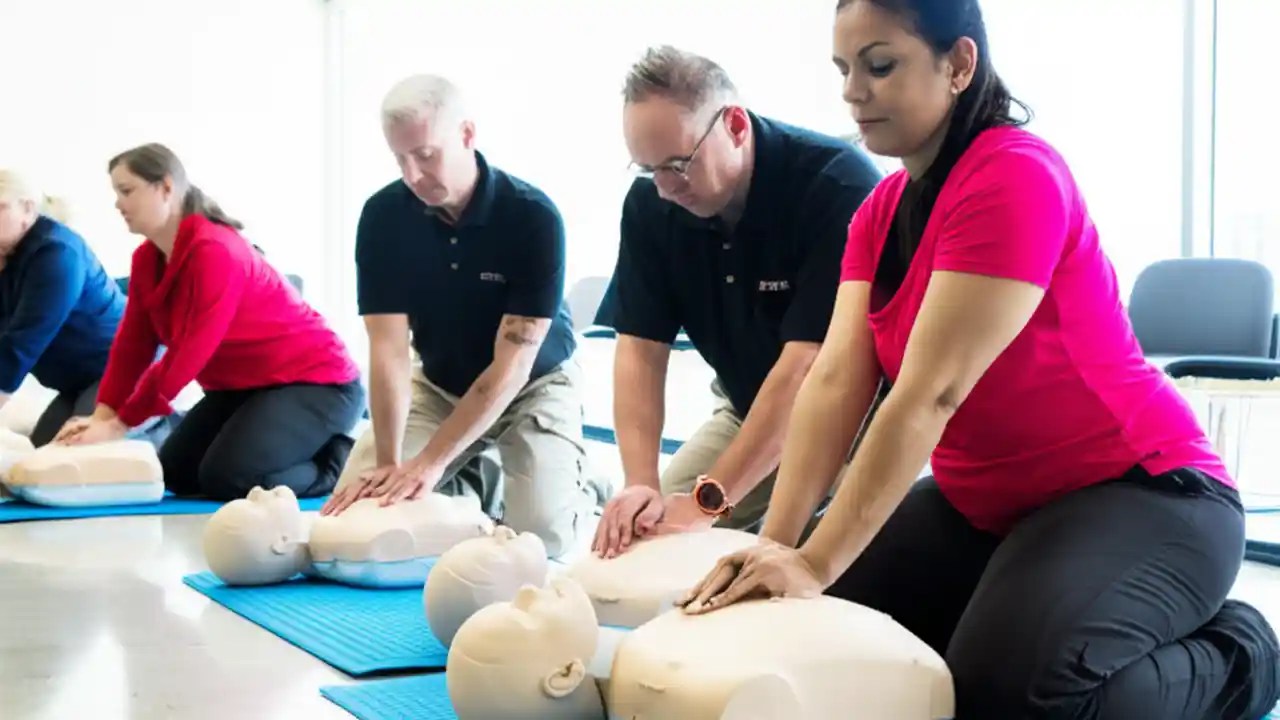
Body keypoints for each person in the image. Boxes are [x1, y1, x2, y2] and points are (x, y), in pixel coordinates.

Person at [679, 1, 1280, 718]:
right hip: (992, 503)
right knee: (813, 620)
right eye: (843, 70)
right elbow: (837, 380)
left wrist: (813, 560)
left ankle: (1243, 654)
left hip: (1142, 491)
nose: (851, 92)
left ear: (959, 65)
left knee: (1004, 694)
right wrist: (779, 548)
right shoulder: (881, 210)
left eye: (880, 65)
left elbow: (929, 395)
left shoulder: (1014, 176)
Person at [590, 46, 882, 558]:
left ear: (736, 126)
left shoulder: (835, 185)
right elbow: (639, 349)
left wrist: (707, 504)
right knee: (648, 542)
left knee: (802, 568)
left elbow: (806, 369)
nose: (664, 189)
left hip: (858, 421)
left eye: (678, 165)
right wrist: (641, 483)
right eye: (648, 169)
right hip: (747, 408)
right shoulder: (652, 203)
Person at [320, 74, 600, 561]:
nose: (411, 174)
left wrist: (429, 463)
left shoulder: (532, 217)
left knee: (541, 539)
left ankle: (583, 483)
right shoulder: (384, 216)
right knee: (364, 510)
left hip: (534, 383)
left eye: (425, 155)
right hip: (442, 384)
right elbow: (387, 351)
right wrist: (392, 464)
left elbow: (511, 367)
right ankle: (478, 472)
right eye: (399, 158)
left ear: (467, 135)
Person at [55, 143, 365, 502]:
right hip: (243, 387)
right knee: (176, 473)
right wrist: (102, 415)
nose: (118, 204)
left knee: (230, 480)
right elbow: (133, 345)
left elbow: (188, 353)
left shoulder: (215, 251)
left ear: (166, 188)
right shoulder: (146, 260)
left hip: (316, 384)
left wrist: (120, 425)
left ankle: (340, 460)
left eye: (127, 191)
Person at [0, 170, 126, 446]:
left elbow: (20, 346)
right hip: (77, 381)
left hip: (122, 370)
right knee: (41, 455)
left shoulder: (56, 253)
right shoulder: (6, 256)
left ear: (27, 209)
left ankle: (165, 423)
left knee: (70, 456)